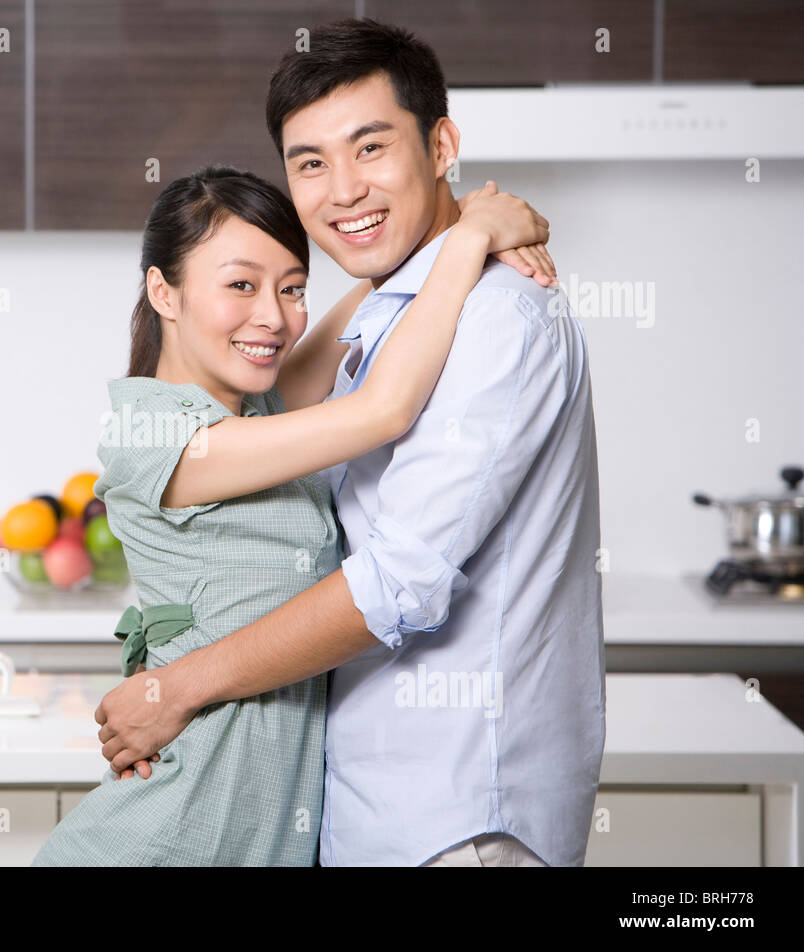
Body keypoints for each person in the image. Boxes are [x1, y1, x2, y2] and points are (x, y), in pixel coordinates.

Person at [93, 17, 605, 868]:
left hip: (455, 820)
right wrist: (467, 229)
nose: (343, 190)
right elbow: (370, 380)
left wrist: (466, 232)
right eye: (311, 164)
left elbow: (401, 577)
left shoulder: (498, 320)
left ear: (441, 143)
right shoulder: (192, 422)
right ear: (165, 292)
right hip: (357, 813)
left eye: (371, 148)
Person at [31, 158, 553, 865]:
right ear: (165, 291)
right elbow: (384, 409)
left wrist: (461, 215)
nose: (274, 317)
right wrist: (466, 241)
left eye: (294, 288)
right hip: (166, 838)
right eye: (240, 285)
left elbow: (382, 280)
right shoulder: (153, 433)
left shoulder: (260, 406)